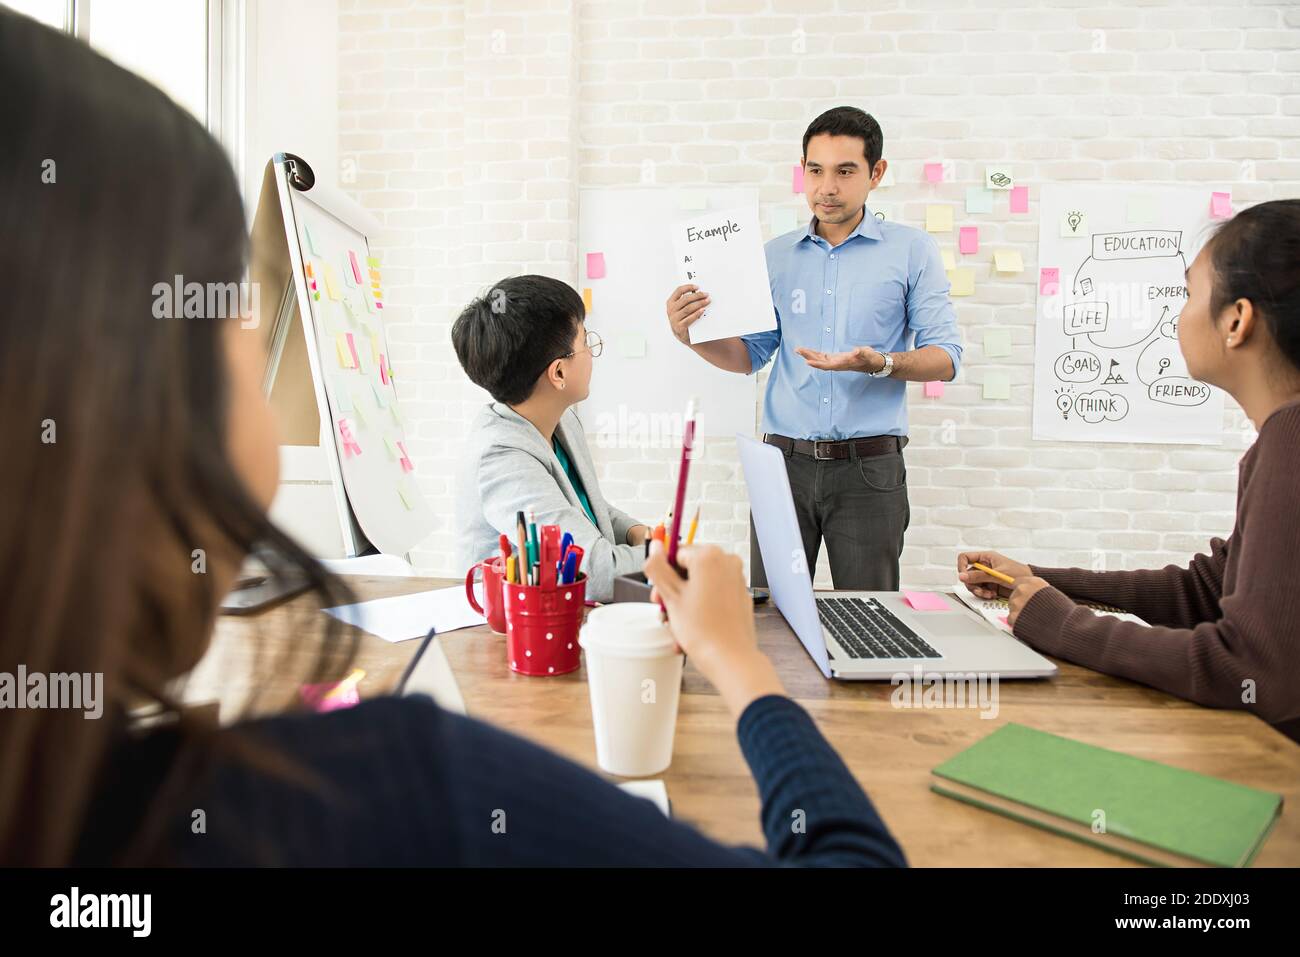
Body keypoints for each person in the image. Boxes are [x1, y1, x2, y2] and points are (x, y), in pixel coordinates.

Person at [0, 8, 906, 867]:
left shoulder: (565, 424)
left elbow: (597, 522)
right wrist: (739, 664)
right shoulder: (398, 780)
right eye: (229, 308)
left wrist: (635, 535)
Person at [959, 199, 1300, 744]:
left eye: (1189, 294)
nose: (1177, 314)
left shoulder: (1290, 443)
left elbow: (1254, 672)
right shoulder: (1284, 437)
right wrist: (1036, 580)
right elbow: (1206, 591)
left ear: (1236, 321)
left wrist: (1062, 624)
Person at [666, 106, 962, 592]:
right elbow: (750, 356)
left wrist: (879, 363)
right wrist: (693, 337)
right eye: (815, 170)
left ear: (876, 173)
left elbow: (946, 358)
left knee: (871, 619)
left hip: (870, 472)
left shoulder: (912, 251)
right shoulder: (775, 255)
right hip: (782, 466)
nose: (827, 187)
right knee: (773, 619)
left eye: (845, 171)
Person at [451, 275, 651, 601]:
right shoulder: (501, 458)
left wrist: (635, 533)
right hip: (510, 632)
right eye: (585, 341)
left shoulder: (562, 420)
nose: (592, 351)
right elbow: (593, 571)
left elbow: (582, 507)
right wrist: (672, 557)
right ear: (558, 373)